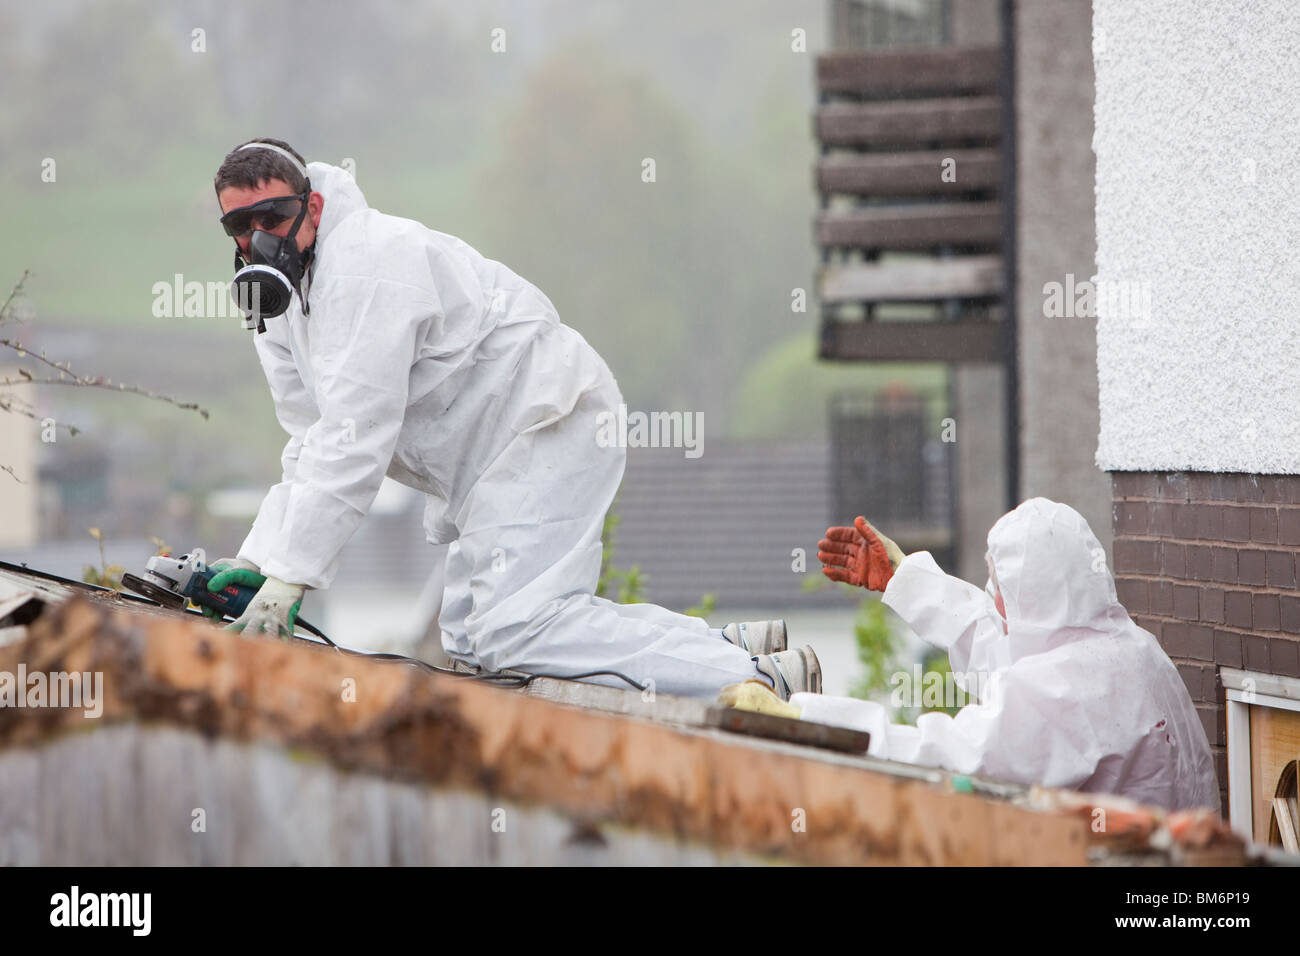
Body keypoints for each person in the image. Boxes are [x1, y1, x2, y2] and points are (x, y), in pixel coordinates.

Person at [203, 138, 821, 700]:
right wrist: (262, 559)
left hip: (545, 420)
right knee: (473, 647)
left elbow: (353, 438)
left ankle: (754, 680)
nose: (259, 238)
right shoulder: (279, 303)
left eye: (274, 217)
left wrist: (292, 577)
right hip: (490, 458)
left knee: (516, 632)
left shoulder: (367, 264)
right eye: (240, 224)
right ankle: (733, 650)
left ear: (311, 209)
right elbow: (312, 437)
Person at [723, 497, 1219, 811]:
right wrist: (905, 580)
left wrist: (799, 720)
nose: (991, 593)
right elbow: (1004, 656)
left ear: (1036, 594)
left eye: (1000, 582)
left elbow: (942, 758)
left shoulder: (1067, 691)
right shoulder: (1129, 648)